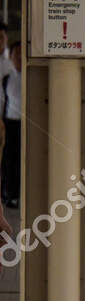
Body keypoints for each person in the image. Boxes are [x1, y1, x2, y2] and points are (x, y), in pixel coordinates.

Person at [1, 25, 20, 208]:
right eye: (16, 55)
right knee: (9, 161)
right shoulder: (7, 76)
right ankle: (9, 192)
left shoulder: (28, 77)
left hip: (23, 124)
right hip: (9, 122)